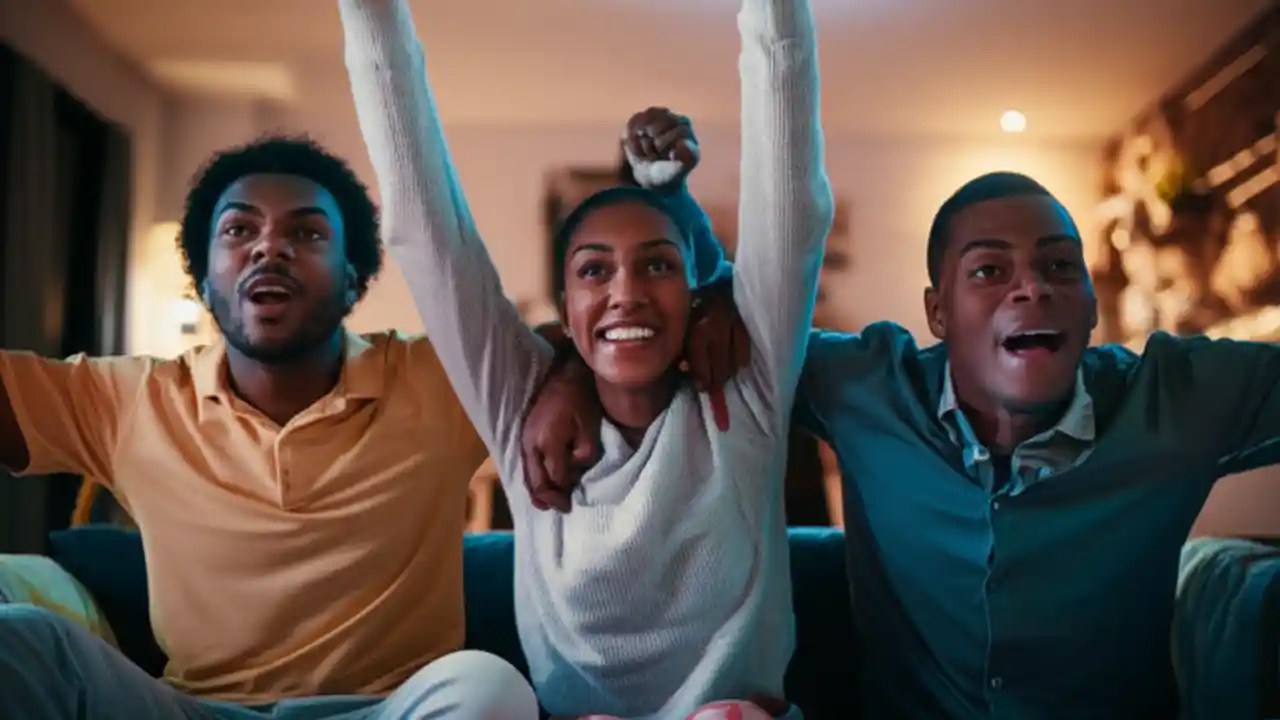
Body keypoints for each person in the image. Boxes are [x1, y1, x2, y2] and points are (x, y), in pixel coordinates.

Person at [525, 168, 1280, 717]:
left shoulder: (1179, 397)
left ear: (1088, 306)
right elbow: (655, 328)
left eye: (1059, 266)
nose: (1031, 288)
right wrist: (565, 368)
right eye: (989, 269)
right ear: (938, 310)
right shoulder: (864, 385)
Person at [338, 0, 831, 717]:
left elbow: (792, 205)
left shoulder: (744, 395)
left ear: (696, 294)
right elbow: (425, 230)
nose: (627, 293)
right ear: (565, 312)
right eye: (595, 271)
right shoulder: (519, 408)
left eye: (658, 266)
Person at [0, 136, 539, 719]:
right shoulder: (132, 398)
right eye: (238, 231)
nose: (268, 249)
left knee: (489, 684)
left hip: (387, 710)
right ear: (203, 282)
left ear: (353, 279)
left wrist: (561, 387)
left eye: (306, 233)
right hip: (196, 711)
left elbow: (595, 355)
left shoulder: (440, 378)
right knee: (23, 637)